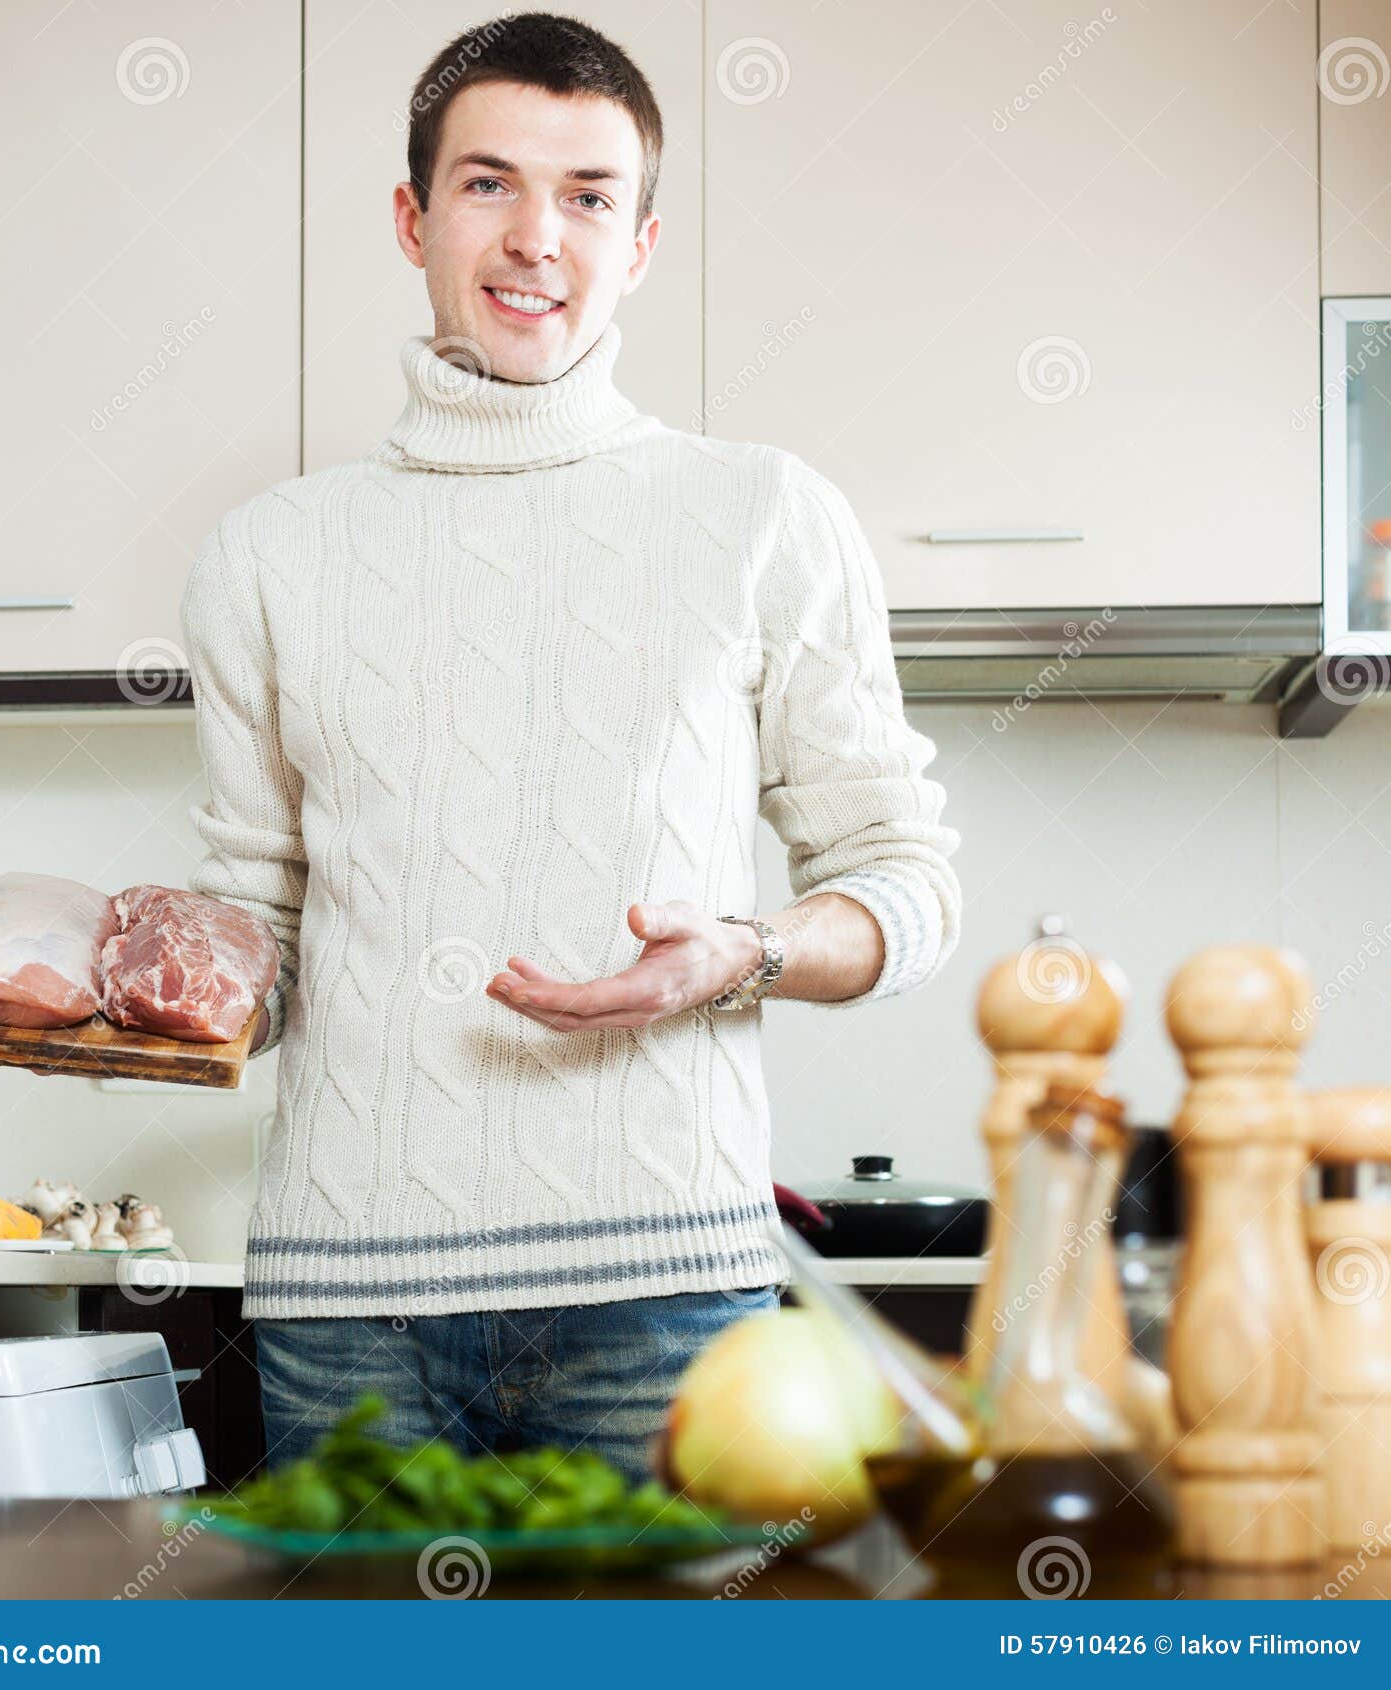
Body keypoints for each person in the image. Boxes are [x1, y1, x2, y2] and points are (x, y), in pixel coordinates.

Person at [180, 11, 961, 1484]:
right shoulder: (263, 558)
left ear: (641, 243)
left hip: (666, 1289)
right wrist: (135, 1003)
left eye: (588, 196)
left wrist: (737, 950)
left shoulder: (760, 514)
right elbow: (260, 935)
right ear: (412, 219)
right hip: (351, 1310)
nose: (537, 235)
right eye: (487, 184)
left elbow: (903, 883)